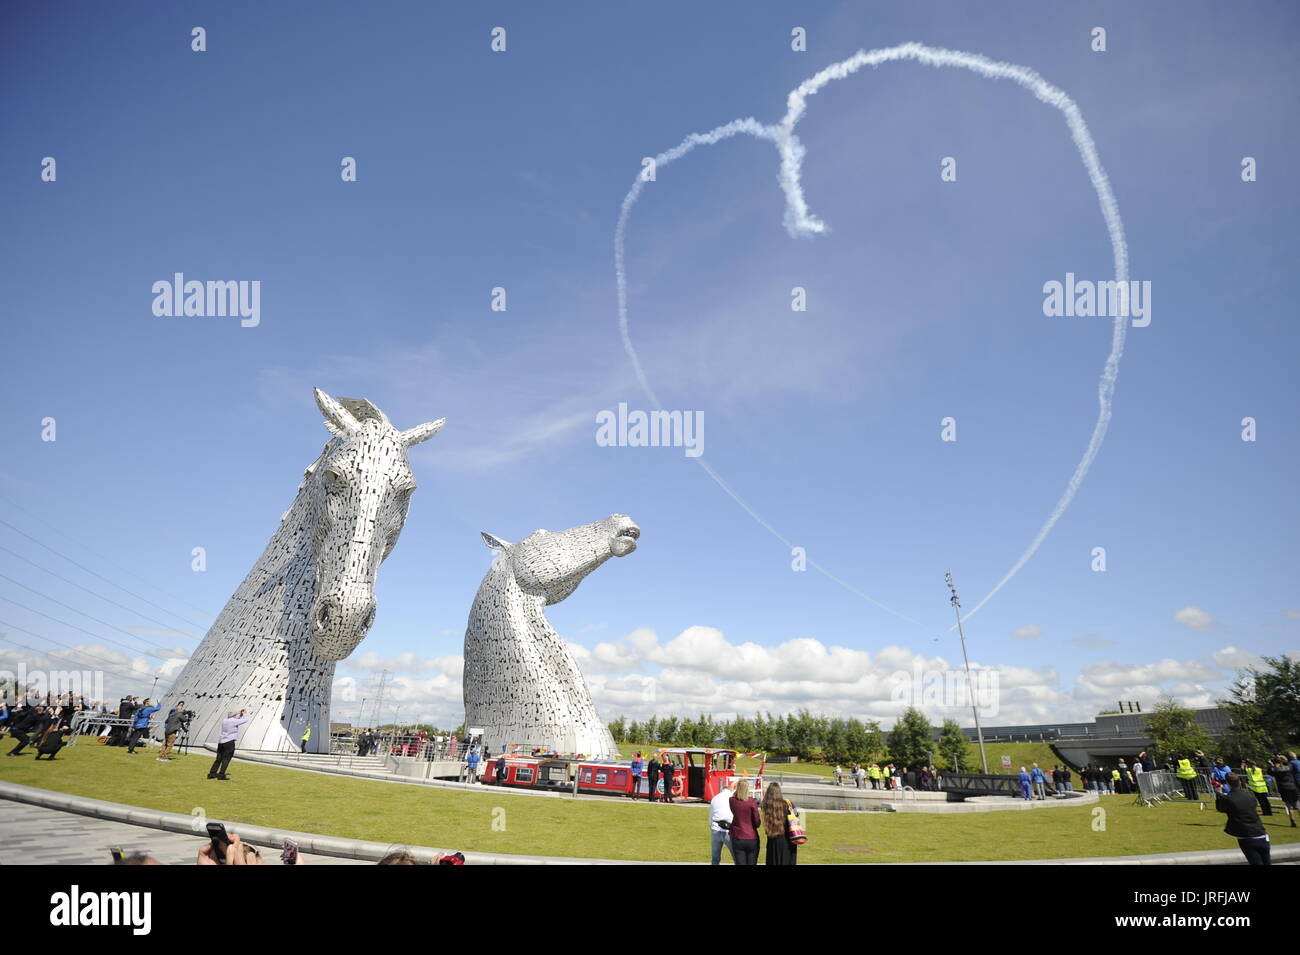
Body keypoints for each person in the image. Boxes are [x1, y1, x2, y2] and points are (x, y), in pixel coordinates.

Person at [1215, 772, 1270, 865]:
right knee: (1266, 861)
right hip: (1260, 831)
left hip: (1245, 835)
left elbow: (1221, 808)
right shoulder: (1250, 796)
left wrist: (1219, 794)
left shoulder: (1228, 798)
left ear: (1228, 783)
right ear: (1240, 782)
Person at [762, 782, 798, 865]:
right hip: (788, 841)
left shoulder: (766, 806)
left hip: (772, 841)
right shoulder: (789, 804)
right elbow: (796, 817)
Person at [208, 709, 249, 780]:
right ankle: (221, 774)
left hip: (221, 742)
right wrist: (244, 714)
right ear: (234, 716)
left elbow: (236, 720)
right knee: (226, 759)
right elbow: (245, 720)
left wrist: (239, 715)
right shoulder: (234, 721)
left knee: (218, 758)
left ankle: (212, 773)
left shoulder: (225, 720)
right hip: (229, 742)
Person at [728, 779, 762, 865]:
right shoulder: (751, 802)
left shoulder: (732, 800)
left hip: (738, 836)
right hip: (751, 837)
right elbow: (757, 821)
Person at [708, 780, 735, 865]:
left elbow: (710, 818)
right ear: (730, 790)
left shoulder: (715, 798)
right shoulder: (733, 798)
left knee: (715, 858)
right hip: (728, 829)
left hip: (716, 828)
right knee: (736, 857)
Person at [1266, 757, 1298, 827]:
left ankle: (1292, 821)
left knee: (1289, 806)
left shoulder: (1274, 770)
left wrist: (1271, 765)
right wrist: (1282, 759)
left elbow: (1269, 771)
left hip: (1283, 789)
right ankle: (1293, 821)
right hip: (1292, 787)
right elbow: (1289, 763)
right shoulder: (1288, 768)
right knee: (1297, 806)